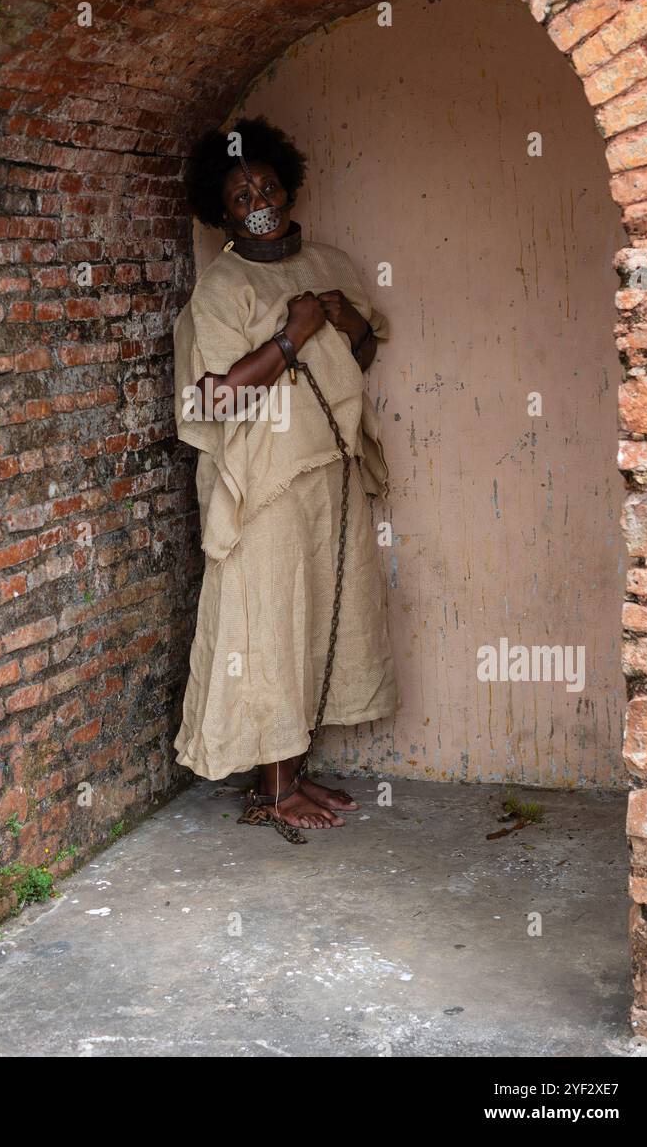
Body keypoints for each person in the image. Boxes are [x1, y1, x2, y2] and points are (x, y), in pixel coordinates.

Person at [172, 115, 397, 833]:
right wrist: (290, 335)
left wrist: (344, 324)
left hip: (325, 467)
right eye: (240, 197)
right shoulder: (220, 288)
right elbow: (212, 396)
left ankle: (291, 771)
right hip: (260, 480)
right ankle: (271, 789)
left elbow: (356, 361)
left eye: (266, 185)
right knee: (264, 624)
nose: (258, 200)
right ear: (222, 213)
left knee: (315, 618)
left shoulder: (330, 264)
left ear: (289, 185)